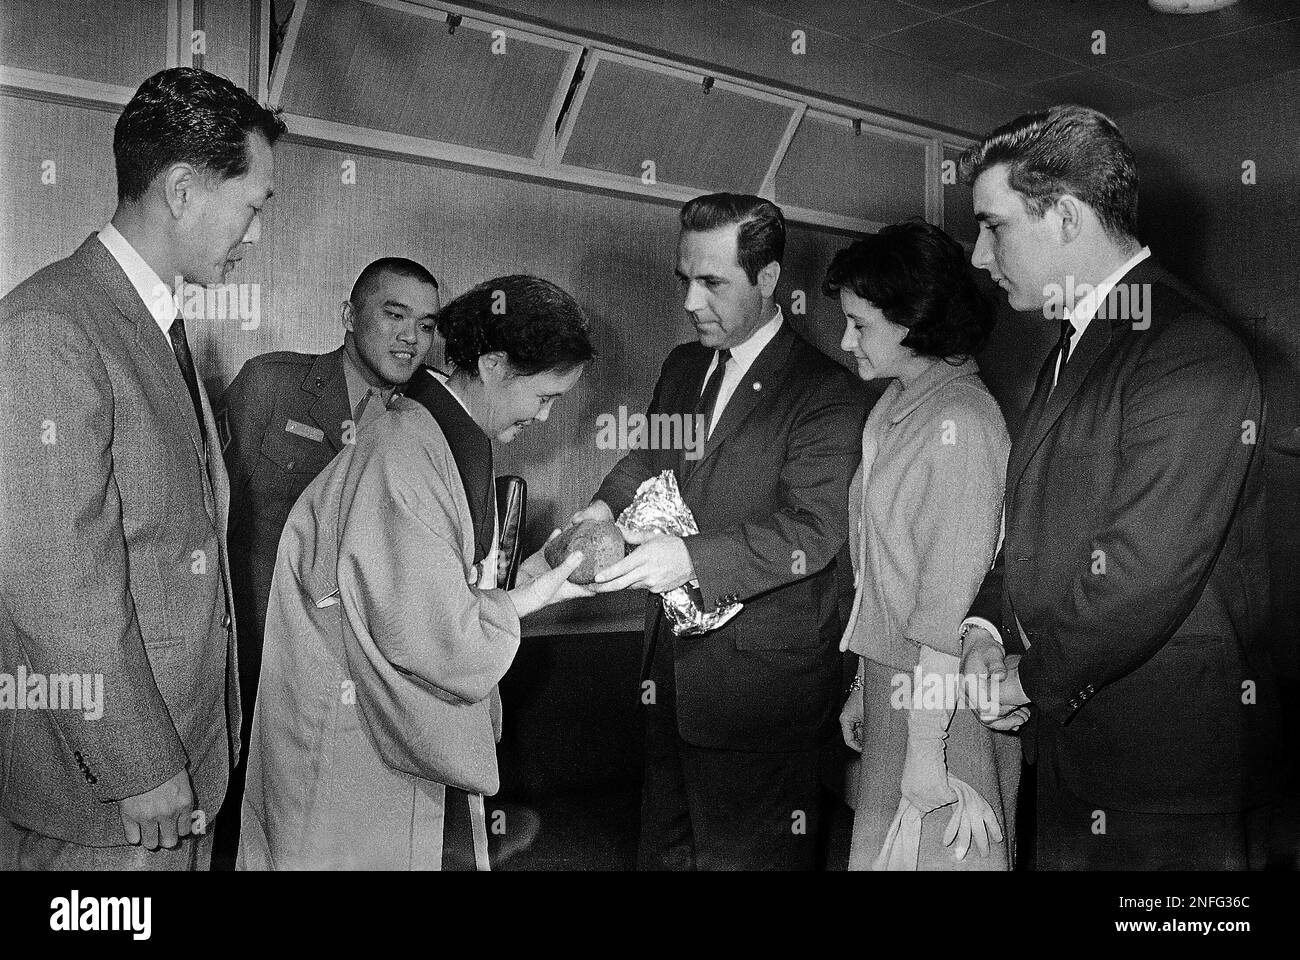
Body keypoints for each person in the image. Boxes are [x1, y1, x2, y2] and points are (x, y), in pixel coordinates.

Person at [957, 104, 1277, 869]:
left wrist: (1025, 680)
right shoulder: (1070, 349)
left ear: (1065, 217)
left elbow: (1142, 570)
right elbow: (1026, 532)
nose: (977, 254)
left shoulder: (1189, 351)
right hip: (1073, 748)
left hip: (1162, 772)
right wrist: (983, 628)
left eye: (993, 226)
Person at [0, 67, 283, 870]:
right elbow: (56, 583)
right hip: (109, 804)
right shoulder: (51, 327)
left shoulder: (158, 324)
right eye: (254, 204)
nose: (256, 232)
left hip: (177, 775)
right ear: (185, 189)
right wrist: (141, 763)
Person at [238, 275, 595, 870]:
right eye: (544, 396)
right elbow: (429, 636)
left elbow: (429, 591)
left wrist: (531, 578)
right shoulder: (405, 452)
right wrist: (523, 603)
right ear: (491, 365)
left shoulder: (428, 436)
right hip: (346, 735)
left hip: (368, 723)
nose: (547, 416)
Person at [577, 193, 866, 870]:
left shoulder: (827, 393)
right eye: (686, 280)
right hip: (670, 677)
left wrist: (686, 557)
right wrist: (602, 508)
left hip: (760, 693)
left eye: (712, 282)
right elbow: (650, 461)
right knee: (664, 854)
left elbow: (813, 530)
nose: (689, 303)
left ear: (768, 281)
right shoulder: (683, 368)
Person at [213, 256, 440, 861]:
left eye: (425, 324)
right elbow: (209, 514)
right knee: (231, 834)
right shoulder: (271, 383)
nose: (410, 338)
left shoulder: (426, 421)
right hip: (251, 665)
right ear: (348, 315)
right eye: (394, 316)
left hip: (350, 686)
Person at [829, 220, 1019, 871]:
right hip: (896, 682)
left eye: (860, 324)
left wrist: (925, 745)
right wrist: (865, 682)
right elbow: (880, 572)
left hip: (947, 695)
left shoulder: (961, 423)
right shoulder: (895, 406)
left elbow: (947, 603)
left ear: (913, 320)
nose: (844, 339)